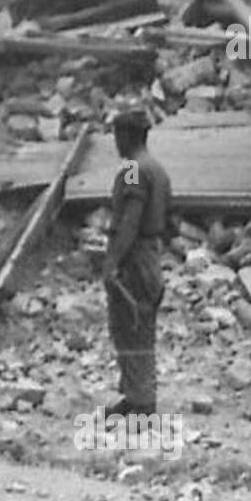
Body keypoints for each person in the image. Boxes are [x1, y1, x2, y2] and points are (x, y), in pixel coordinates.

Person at [102, 100, 172, 418]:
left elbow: (130, 220)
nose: (115, 141)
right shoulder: (157, 169)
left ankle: (141, 402)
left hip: (134, 257)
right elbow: (169, 221)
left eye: (117, 134)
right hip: (151, 254)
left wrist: (113, 260)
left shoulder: (133, 170)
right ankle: (137, 396)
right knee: (142, 325)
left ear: (128, 136)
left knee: (128, 325)